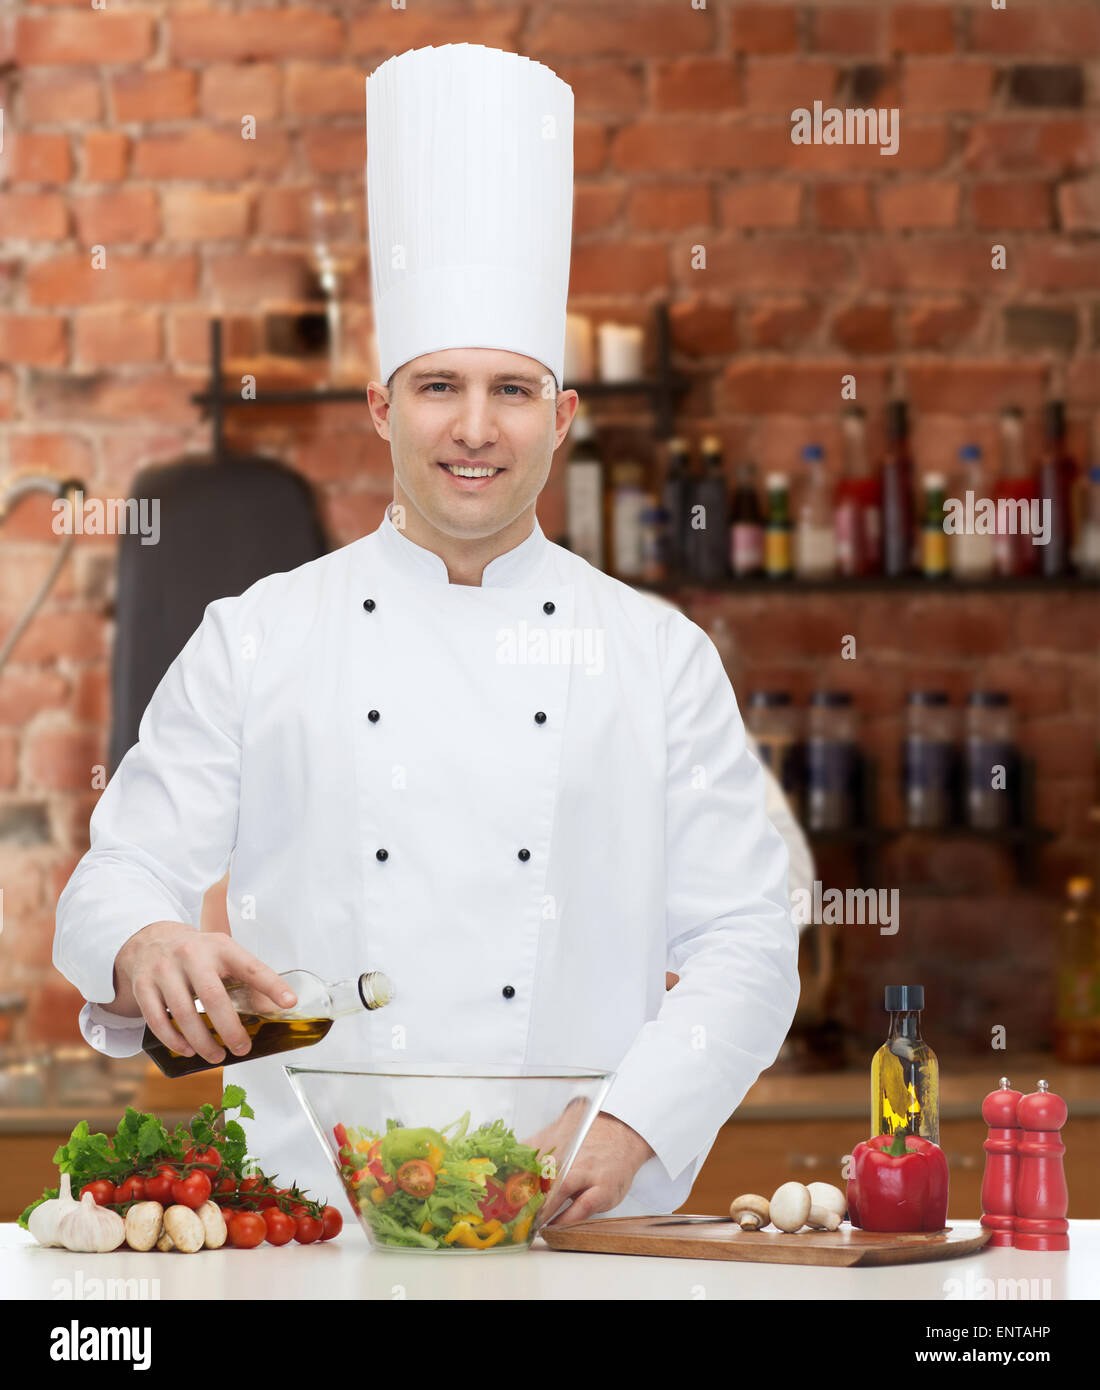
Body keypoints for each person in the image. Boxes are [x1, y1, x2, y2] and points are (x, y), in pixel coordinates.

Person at [54, 44, 799, 1226]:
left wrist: (635, 1116)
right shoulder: (257, 636)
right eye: (437, 385)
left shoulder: (654, 657)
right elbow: (114, 877)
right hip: (304, 1229)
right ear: (379, 408)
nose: (474, 427)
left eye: (510, 391)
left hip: (568, 1221)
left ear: (559, 421)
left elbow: (749, 938)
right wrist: (145, 936)